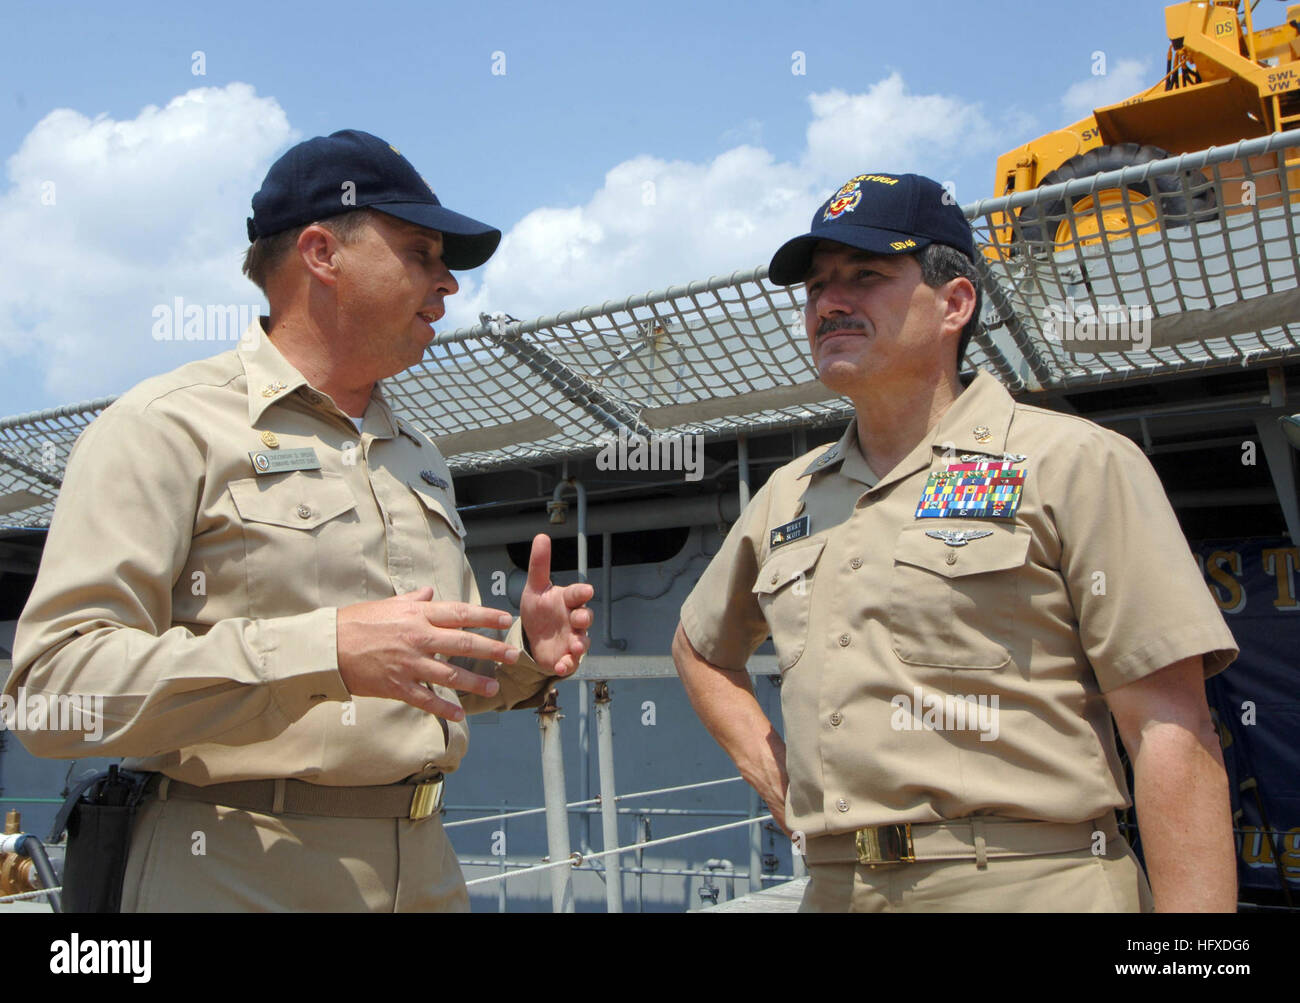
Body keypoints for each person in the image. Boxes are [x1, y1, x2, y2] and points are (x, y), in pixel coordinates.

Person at [6, 129, 593, 912]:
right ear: (322, 252)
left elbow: (420, 669)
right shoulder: (164, 427)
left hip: (426, 868)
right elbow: (51, 694)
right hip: (233, 872)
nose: (447, 283)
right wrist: (327, 649)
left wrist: (523, 654)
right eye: (421, 252)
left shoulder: (417, 454)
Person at [672, 171, 1239, 912]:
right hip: (837, 889)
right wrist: (777, 779)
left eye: (865, 275)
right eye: (815, 287)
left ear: (955, 303)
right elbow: (700, 646)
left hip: (1027, 883)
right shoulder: (788, 495)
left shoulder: (1074, 462)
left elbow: (1171, 728)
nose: (828, 303)